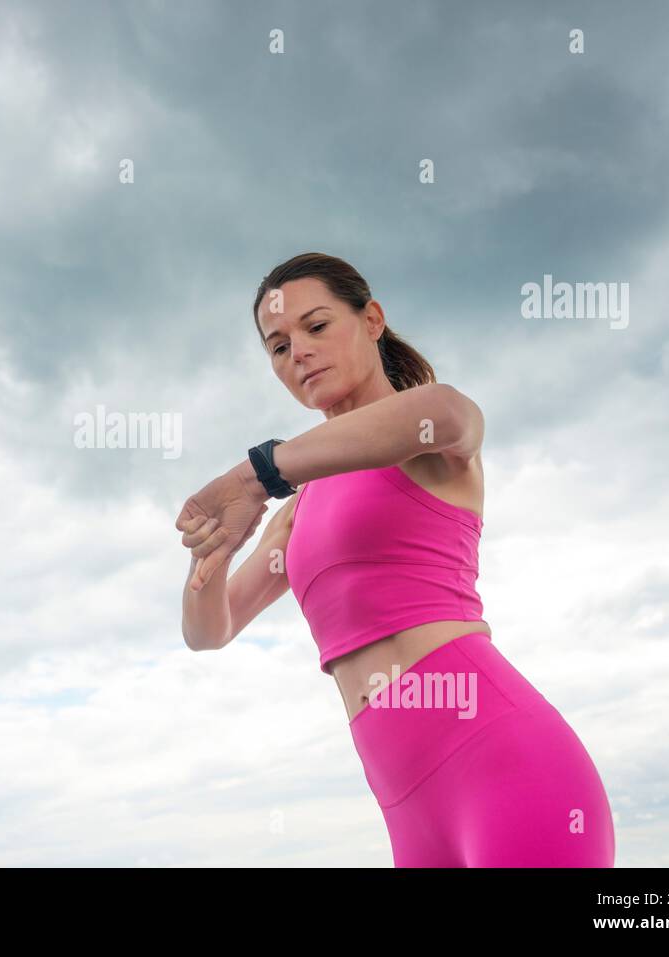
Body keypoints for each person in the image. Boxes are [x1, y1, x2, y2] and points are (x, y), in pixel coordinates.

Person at [176, 251, 615, 867]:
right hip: (408, 810)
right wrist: (213, 553)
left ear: (372, 320)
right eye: (278, 346)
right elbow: (209, 631)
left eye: (316, 325)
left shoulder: (427, 437)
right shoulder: (298, 509)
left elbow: (445, 413)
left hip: (503, 764)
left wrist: (256, 474)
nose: (298, 352)